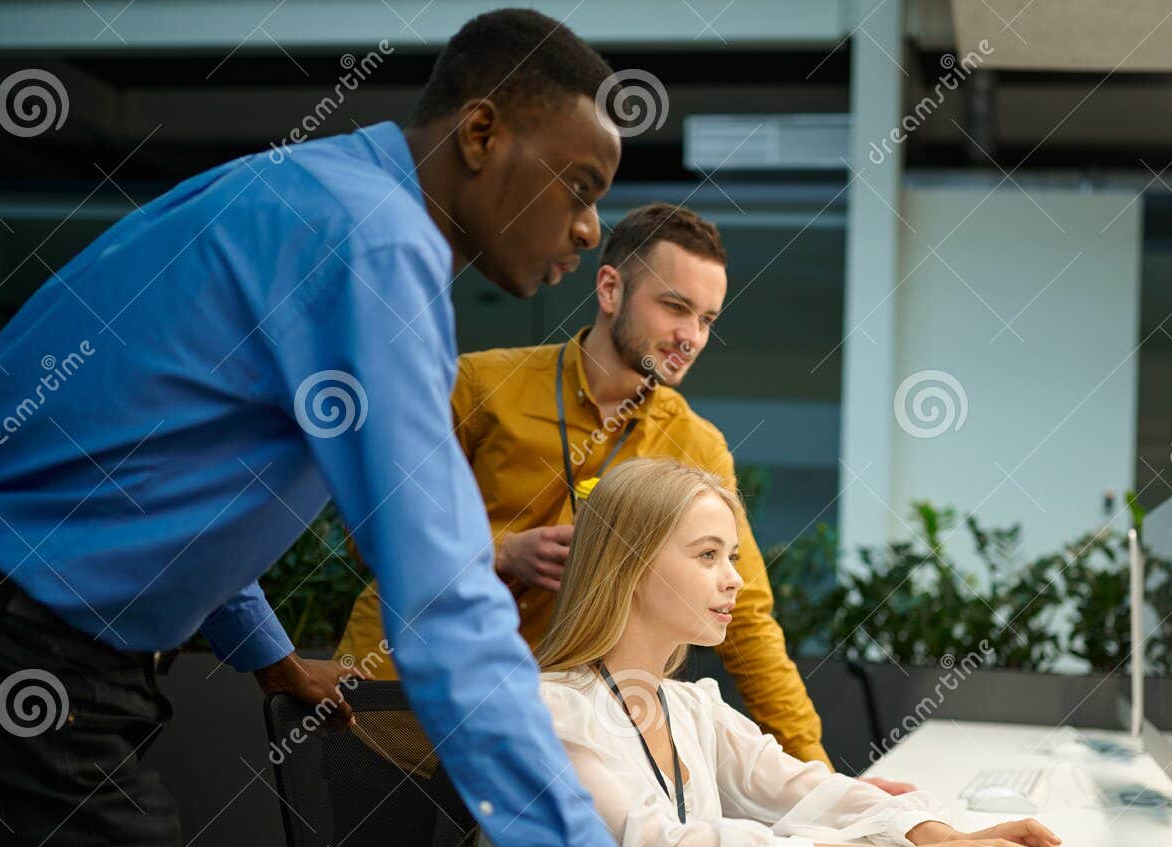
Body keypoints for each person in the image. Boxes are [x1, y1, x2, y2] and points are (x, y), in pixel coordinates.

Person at [0, 8, 831, 847]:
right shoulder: (377, 250)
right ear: (480, 135)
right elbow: (440, 594)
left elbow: (174, 463)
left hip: (35, 648)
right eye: (577, 187)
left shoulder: (316, 193)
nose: (583, 229)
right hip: (31, 678)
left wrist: (268, 653)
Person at [443, 458, 1075, 847]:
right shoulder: (547, 711)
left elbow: (810, 791)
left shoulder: (693, 708)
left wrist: (944, 838)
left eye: (733, 557)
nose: (734, 579)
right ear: (629, 565)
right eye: (708, 555)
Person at [335, 202, 909, 791]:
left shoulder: (696, 446)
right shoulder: (480, 387)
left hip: (552, 738)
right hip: (402, 710)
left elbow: (749, 624)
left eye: (708, 319)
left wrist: (824, 783)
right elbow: (367, 527)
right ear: (610, 288)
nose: (692, 337)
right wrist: (498, 553)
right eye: (675, 307)